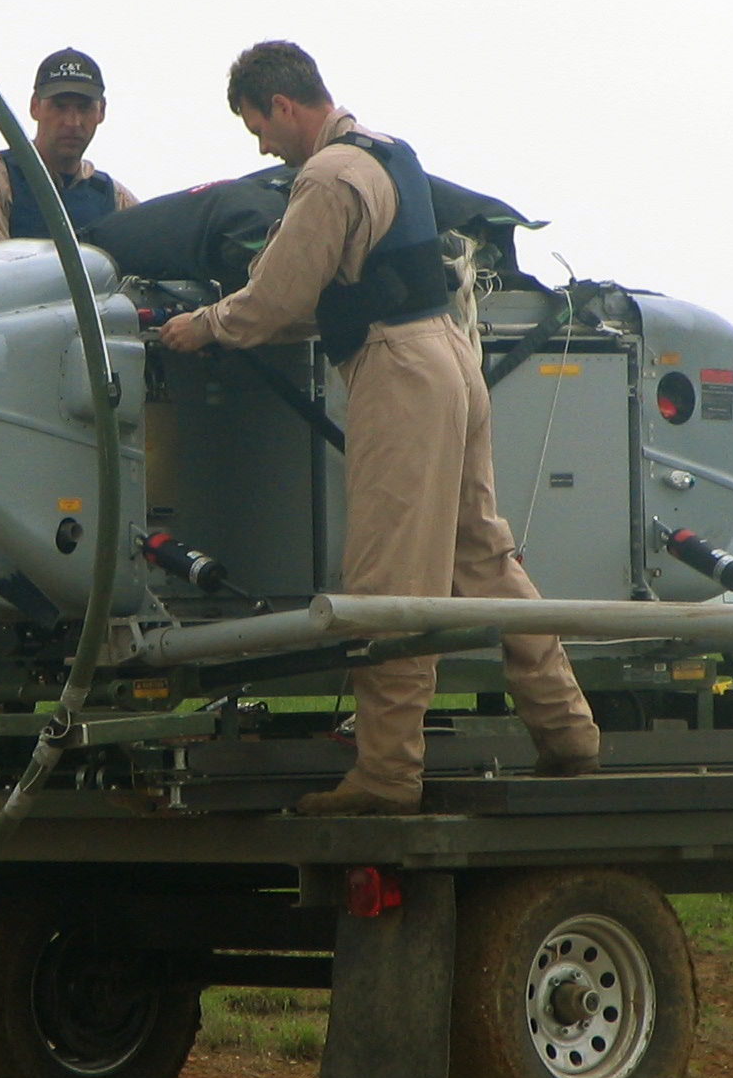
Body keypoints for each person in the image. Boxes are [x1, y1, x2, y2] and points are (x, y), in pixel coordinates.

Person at [159, 42, 601, 815]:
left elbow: (276, 299)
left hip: (398, 372)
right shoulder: (389, 151)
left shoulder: (327, 177)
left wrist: (203, 324)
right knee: (484, 553)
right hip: (451, 355)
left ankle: (388, 773)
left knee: (390, 578)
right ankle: (568, 731)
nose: (261, 145)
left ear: (283, 106)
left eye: (257, 125)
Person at [0, 48, 139, 251]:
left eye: (84, 108)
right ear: (35, 106)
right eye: (60, 106)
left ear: (101, 111)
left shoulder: (116, 200)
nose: (72, 122)